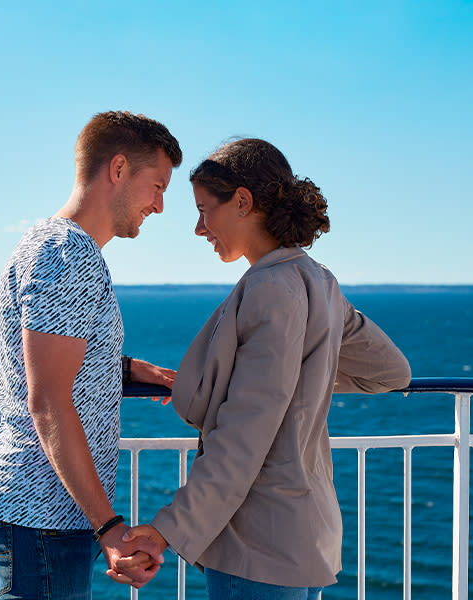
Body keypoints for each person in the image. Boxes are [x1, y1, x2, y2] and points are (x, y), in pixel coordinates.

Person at [122, 138, 412, 599]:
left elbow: (243, 439)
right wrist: (303, 372)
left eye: (203, 210)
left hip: (258, 546)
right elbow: (392, 370)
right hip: (303, 538)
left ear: (242, 201)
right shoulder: (319, 280)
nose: (199, 228)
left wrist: (167, 529)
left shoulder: (269, 288)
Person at [0, 111, 182, 599]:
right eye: (158, 186)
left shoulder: (52, 243)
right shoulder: (69, 252)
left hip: (39, 509)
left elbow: (28, 359)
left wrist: (120, 368)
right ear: (119, 169)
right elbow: (47, 401)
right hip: (40, 512)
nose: (160, 206)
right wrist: (110, 527)